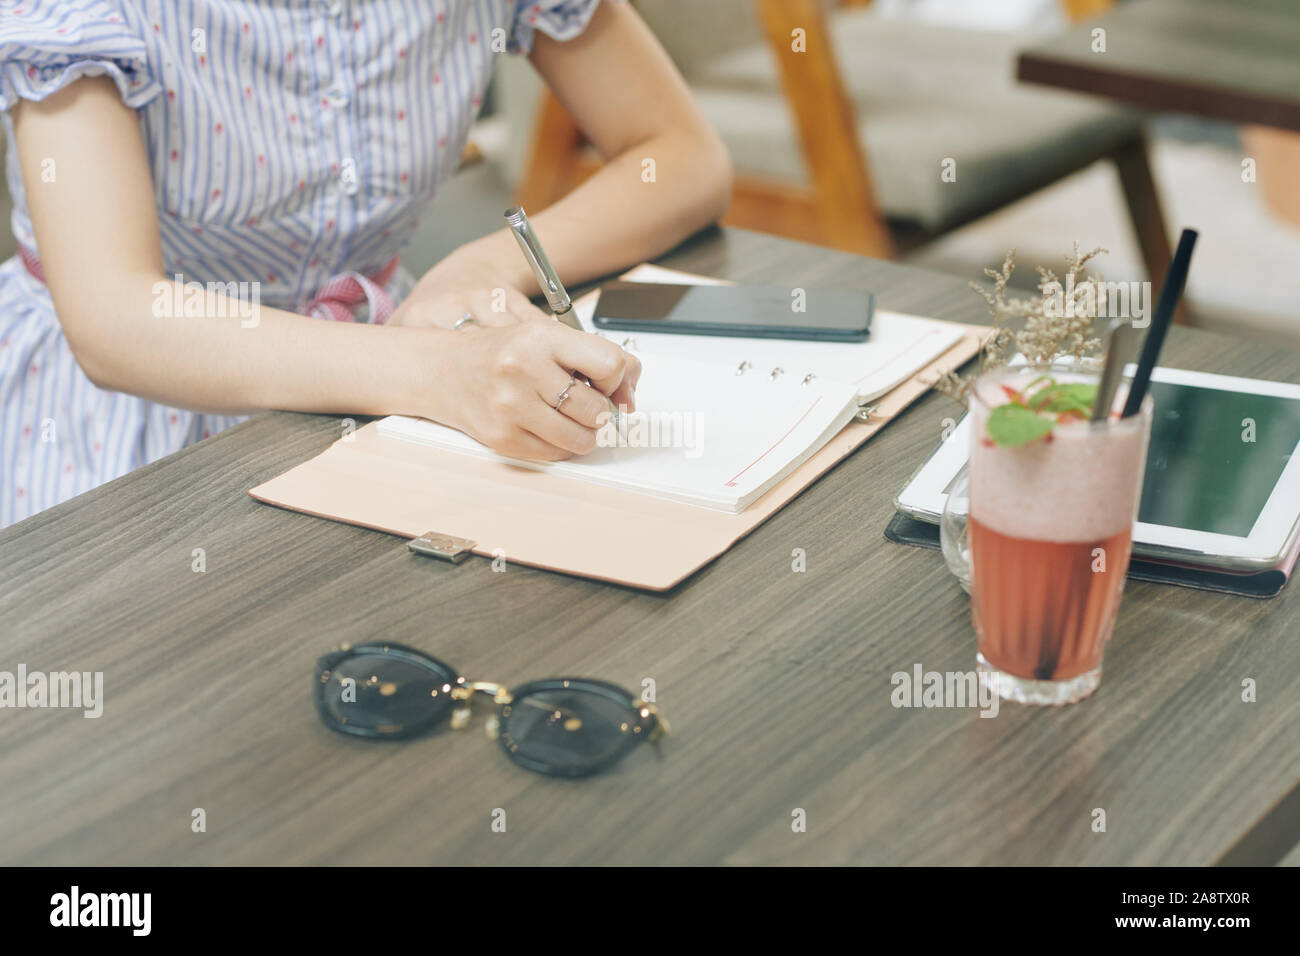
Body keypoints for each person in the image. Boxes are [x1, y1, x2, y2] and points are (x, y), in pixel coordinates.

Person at [0, 0, 732, 526]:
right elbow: (115, 318)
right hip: (130, 428)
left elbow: (682, 157)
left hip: (387, 387)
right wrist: (440, 373)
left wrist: (481, 267)